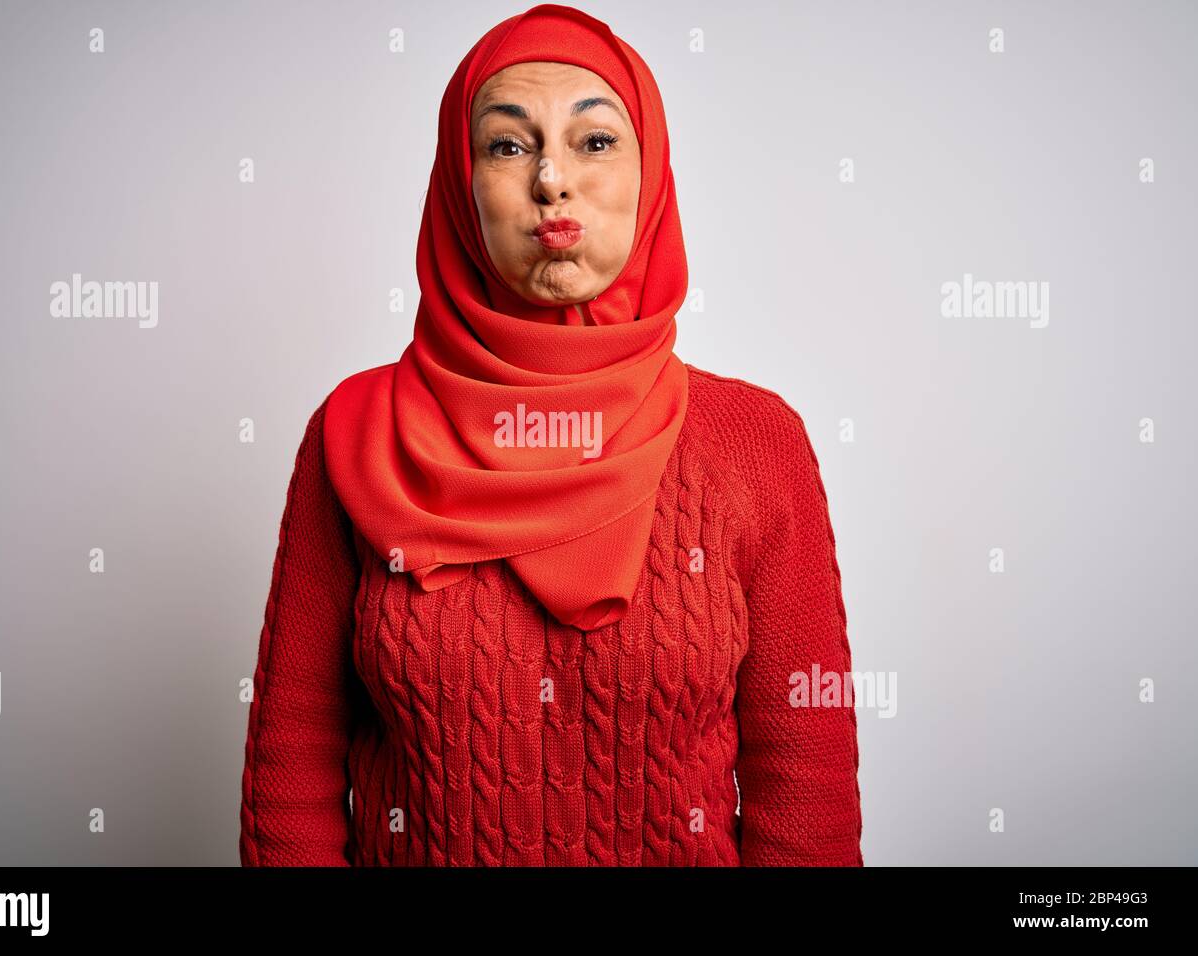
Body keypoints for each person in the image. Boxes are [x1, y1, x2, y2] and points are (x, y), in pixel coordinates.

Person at [239, 3, 862, 866]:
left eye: (596, 142)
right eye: (507, 144)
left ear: (653, 178)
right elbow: (291, 769)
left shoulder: (756, 442)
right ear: (459, 187)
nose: (550, 180)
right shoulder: (355, 437)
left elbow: (808, 785)